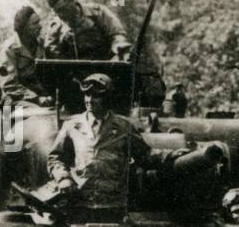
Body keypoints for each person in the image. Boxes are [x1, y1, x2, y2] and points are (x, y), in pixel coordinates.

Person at [46, 72, 177, 215]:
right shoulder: (72, 125)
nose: (89, 100)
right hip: (81, 203)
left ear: (107, 98)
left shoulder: (123, 127)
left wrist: (172, 155)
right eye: (87, 95)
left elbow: (146, 155)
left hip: (113, 205)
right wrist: (63, 178)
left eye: (96, 96)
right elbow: (56, 158)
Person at [0, 6, 53, 108]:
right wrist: (36, 99)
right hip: (14, 99)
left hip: (40, 96)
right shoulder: (8, 50)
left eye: (39, 22)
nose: (40, 26)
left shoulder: (40, 44)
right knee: (40, 115)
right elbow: (10, 85)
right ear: (24, 28)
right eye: (35, 23)